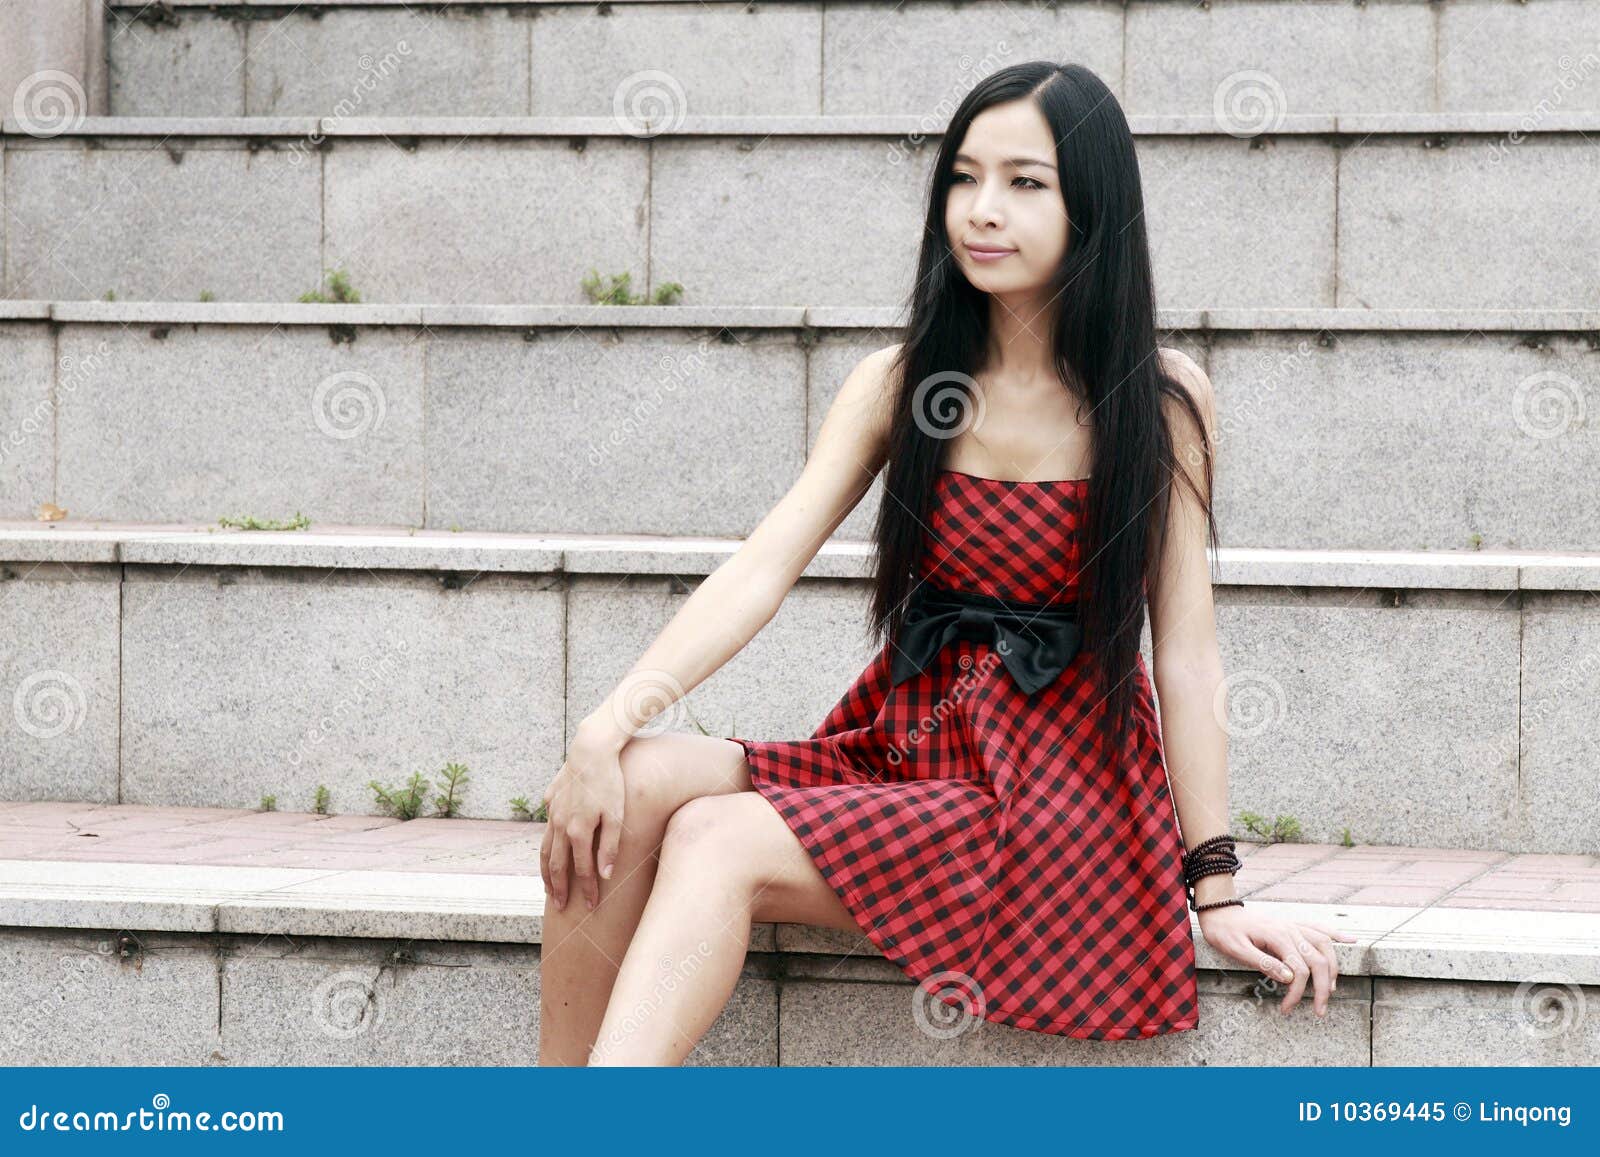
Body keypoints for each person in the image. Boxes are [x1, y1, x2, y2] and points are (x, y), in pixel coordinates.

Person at [538, 60, 1357, 1066]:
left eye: (1024, 182)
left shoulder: (1160, 401)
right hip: (911, 750)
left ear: (1091, 204)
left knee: (716, 834)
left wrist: (1216, 885)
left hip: (1062, 797)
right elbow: (761, 568)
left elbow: (1186, 651)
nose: (981, 209)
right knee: (623, 781)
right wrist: (606, 719)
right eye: (963, 178)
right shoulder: (901, 381)